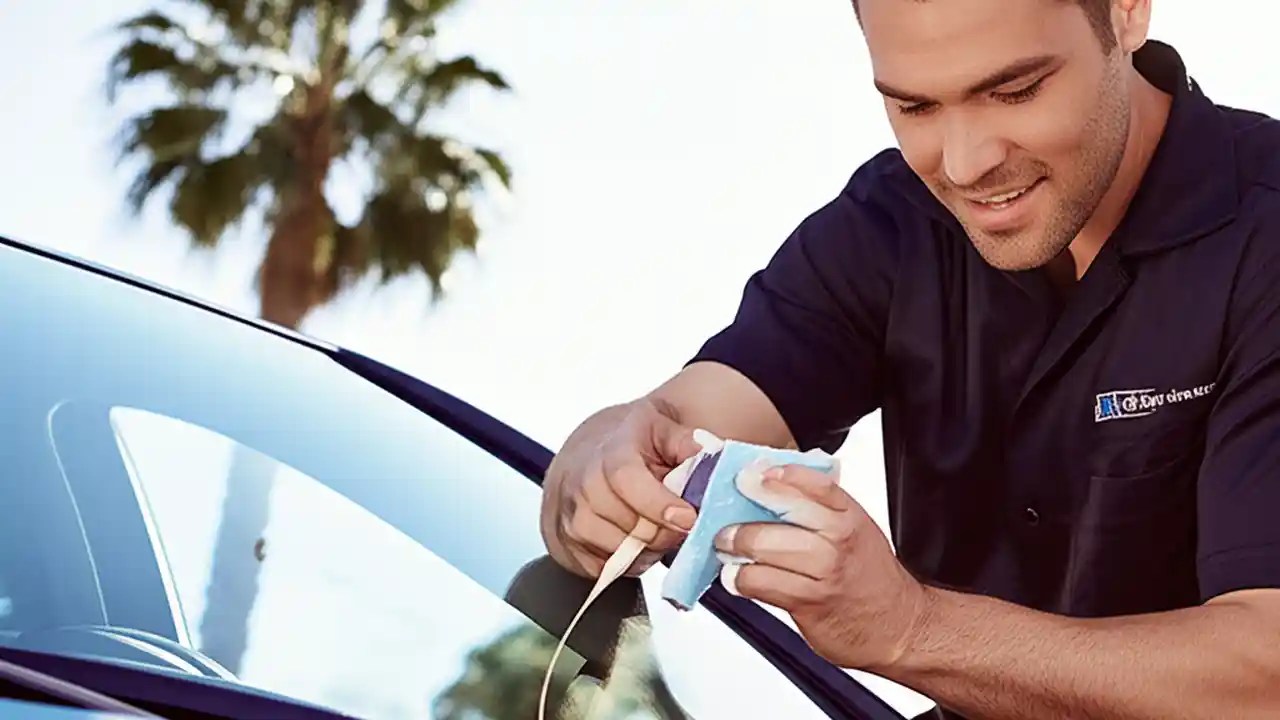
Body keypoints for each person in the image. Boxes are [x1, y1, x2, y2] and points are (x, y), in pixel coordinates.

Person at [539, 0, 1280, 718]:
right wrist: (605, 467)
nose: (965, 165)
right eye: (915, 108)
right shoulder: (892, 224)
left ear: (1127, 10)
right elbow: (687, 417)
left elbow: (1266, 676)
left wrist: (912, 630)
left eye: (1015, 91)